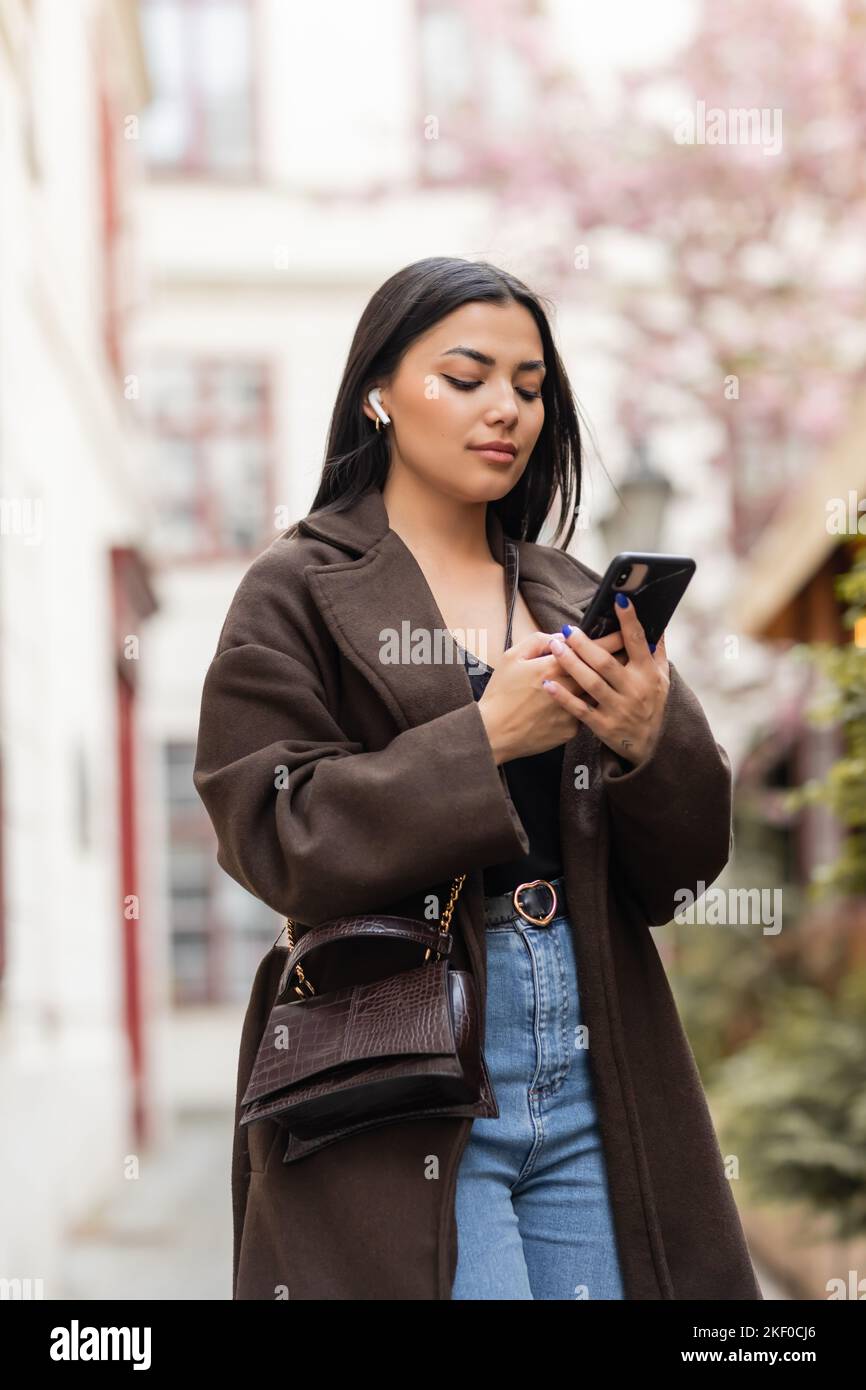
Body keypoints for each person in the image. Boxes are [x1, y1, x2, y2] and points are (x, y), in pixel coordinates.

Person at [193, 255, 763, 1301]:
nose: (505, 408)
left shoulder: (570, 592)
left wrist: (646, 742)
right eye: (465, 378)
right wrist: (482, 736)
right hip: (407, 1060)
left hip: (597, 1053)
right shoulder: (295, 589)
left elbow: (681, 871)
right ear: (377, 392)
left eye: (529, 385)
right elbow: (272, 834)